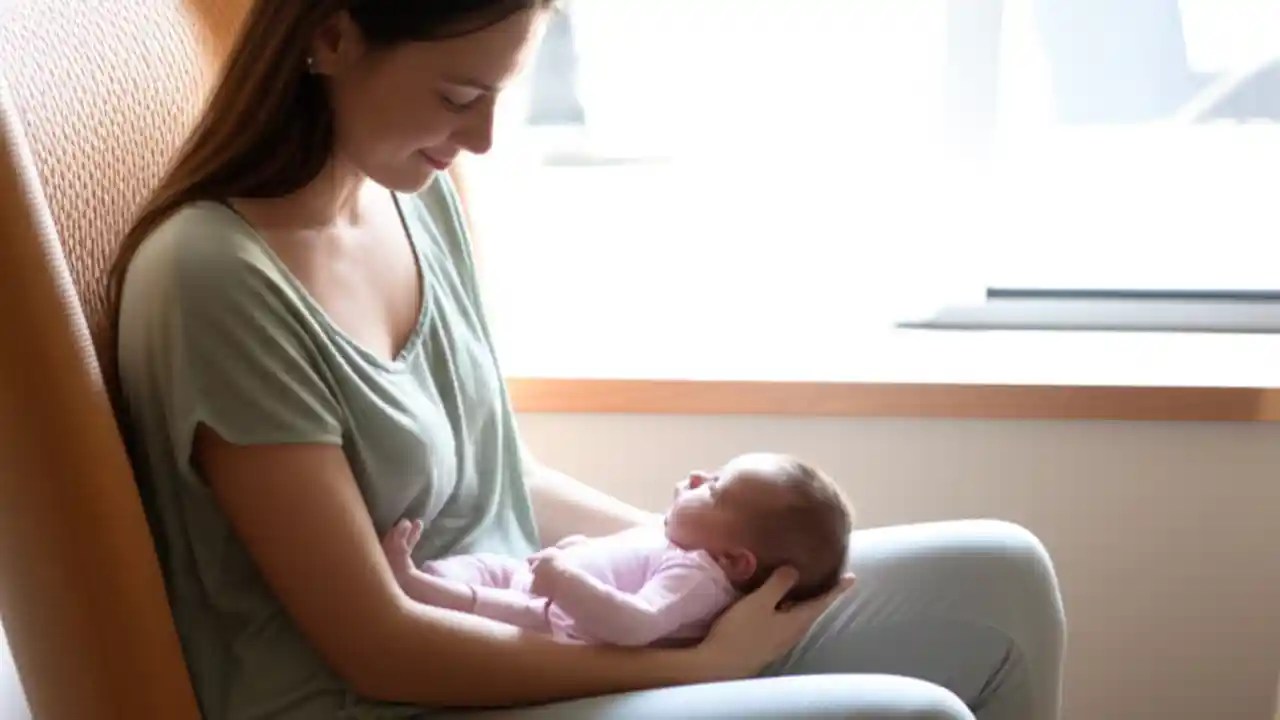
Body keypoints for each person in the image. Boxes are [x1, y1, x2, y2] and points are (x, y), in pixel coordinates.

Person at [111, 2, 1065, 718]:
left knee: (1001, 576)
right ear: (331, 36)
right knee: (913, 715)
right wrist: (692, 664)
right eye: (458, 96)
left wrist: (692, 571)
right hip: (394, 695)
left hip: (539, 617)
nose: (483, 138)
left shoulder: (408, 196)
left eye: (498, 96)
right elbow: (379, 648)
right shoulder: (215, 280)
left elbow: (503, 476)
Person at [380, 453, 853, 647]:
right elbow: (628, 562)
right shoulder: (690, 552)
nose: (696, 477)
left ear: (735, 560)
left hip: (554, 620)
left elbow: (637, 622)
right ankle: (420, 586)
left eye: (714, 489)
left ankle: (413, 588)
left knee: (481, 602)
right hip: (542, 584)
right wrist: (580, 551)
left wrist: (567, 581)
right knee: (483, 571)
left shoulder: (698, 580)